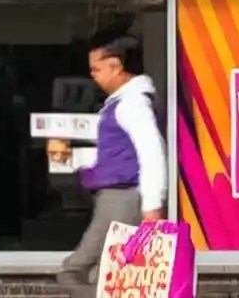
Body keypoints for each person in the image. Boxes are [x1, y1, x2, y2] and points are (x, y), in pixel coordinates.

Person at [57, 32, 167, 298]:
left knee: (73, 272)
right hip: (120, 196)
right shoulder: (125, 102)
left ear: (116, 66)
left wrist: (152, 208)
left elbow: (152, 152)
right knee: (103, 274)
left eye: (96, 68)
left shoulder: (132, 103)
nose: (92, 75)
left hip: (122, 199)